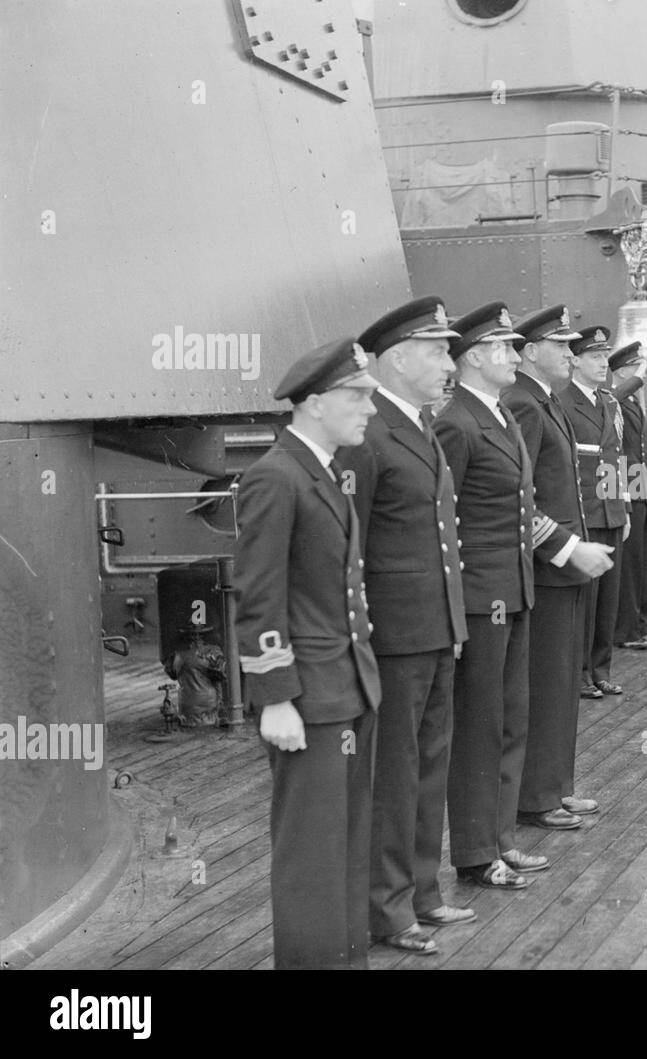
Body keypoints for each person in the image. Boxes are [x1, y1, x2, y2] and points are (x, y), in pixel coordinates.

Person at [233, 337, 381, 969]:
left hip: (346, 688)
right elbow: (259, 595)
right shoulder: (276, 476)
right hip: (310, 698)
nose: (369, 409)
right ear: (316, 402)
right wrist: (275, 698)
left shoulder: (321, 471)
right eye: (358, 397)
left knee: (345, 847)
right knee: (312, 854)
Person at [337, 296, 472, 957]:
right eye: (437, 350)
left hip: (435, 629)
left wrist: (453, 622)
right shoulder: (369, 436)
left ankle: (420, 891)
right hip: (391, 638)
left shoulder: (419, 426)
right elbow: (348, 546)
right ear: (395, 360)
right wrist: (357, 640)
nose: (449, 364)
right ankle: (387, 910)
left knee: (428, 767)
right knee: (393, 776)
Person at [433, 302, 539, 889]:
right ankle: (475, 853)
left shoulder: (499, 415)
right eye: (505, 347)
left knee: (509, 720)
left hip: (513, 590)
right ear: (474, 356)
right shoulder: (457, 423)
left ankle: (501, 838)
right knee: (478, 727)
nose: (516, 357)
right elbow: (443, 523)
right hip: (478, 597)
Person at [504, 305, 617, 831]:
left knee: (562, 682)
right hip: (545, 567)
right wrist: (564, 548)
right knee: (546, 684)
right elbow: (518, 496)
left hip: (564, 566)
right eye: (562, 346)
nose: (572, 355)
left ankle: (556, 786)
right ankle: (536, 796)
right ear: (530, 351)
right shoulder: (523, 404)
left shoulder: (544, 400)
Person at [560, 326, 631, 698]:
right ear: (575, 360)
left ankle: (601, 669)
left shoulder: (610, 402)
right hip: (584, 511)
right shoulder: (561, 401)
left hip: (611, 511)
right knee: (585, 599)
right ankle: (580, 673)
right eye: (595, 356)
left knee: (607, 600)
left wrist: (625, 507)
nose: (604, 363)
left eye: (605, 356)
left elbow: (616, 456)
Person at [611, 341, 647, 650]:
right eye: (633, 367)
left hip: (642, 487)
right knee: (629, 564)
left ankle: (641, 627)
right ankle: (626, 630)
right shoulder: (611, 398)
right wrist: (638, 380)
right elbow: (611, 399)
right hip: (625, 488)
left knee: (642, 562)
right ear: (620, 372)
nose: (641, 374)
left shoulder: (632, 401)